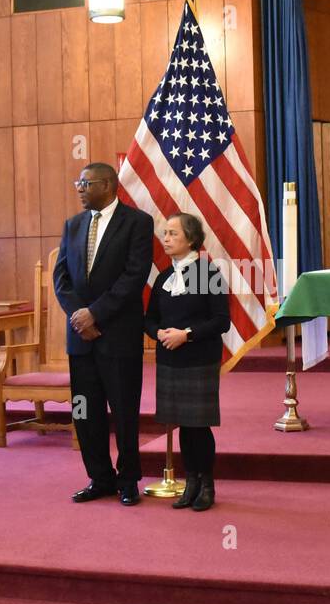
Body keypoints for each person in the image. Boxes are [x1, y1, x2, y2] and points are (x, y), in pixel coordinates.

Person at [53, 162, 153, 506]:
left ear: (108, 185)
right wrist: (80, 317)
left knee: (124, 411)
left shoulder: (137, 223)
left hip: (118, 335)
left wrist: (95, 313)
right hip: (81, 339)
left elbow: (134, 276)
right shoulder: (73, 225)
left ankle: (128, 480)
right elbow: (61, 278)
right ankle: (100, 478)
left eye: (85, 183)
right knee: (85, 412)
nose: (79, 189)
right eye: (77, 183)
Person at [144, 214, 231, 511]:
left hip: (199, 358)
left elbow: (221, 321)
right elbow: (149, 319)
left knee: (199, 425)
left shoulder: (209, 273)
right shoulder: (163, 277)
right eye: (165, 233)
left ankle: (206, 485)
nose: (166, 238)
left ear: (191, 239)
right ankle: (190, 482)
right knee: (183, 424)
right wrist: (158, 333)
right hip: (170, 359)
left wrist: (187, 335)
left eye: (173, 233)